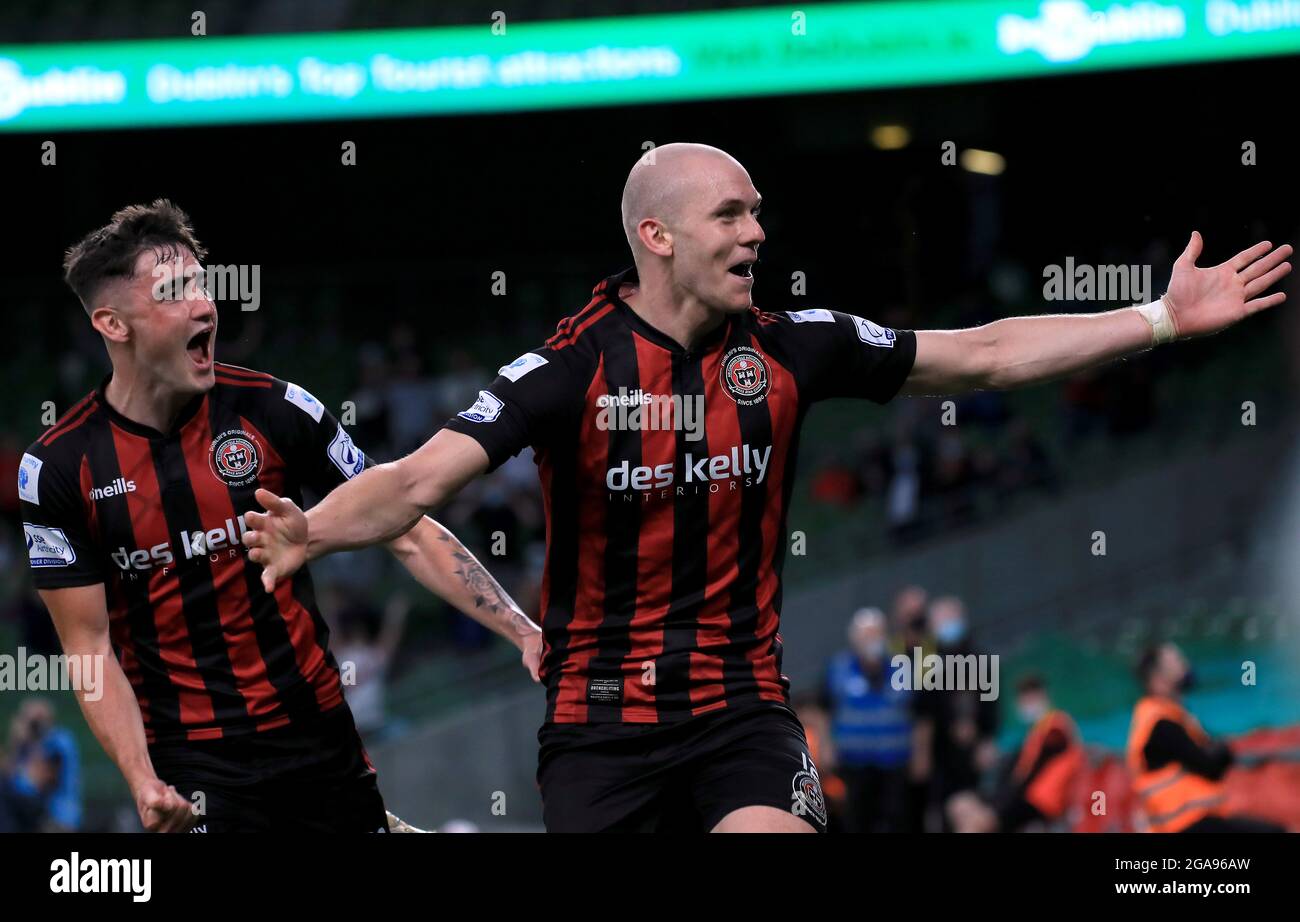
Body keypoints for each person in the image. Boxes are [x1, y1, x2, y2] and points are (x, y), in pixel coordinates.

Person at [243, 143, 1291, 833]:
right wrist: (314, 534)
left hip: (740, 711)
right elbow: (419, 479)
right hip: (597, 729)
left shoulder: (800, 347)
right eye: (729, 217)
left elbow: (981, 352)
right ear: (656, 237)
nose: (755, 235)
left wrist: (1154, 319)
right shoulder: (567, 370)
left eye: (757, 214)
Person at [18, 200, 542, 833]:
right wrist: (141, 779)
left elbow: (406, 527)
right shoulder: (56, 468)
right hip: (193, 762)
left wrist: (523, 631)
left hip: (318, 736)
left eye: (201, 284)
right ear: (113, 323)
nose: (205, 305)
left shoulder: (275, 409)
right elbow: (88, 647)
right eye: (175, 292)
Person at [1127, 644, 1283, 833]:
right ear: (1157, 679)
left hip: (1190, 822)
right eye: (1177, 662)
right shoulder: (1162, 724)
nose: (1185, 666)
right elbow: (1209, 765)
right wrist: (1225, 749)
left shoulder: (1164, 715)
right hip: (1185, 823)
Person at [948, 674, 1084, 832]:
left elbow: (1030, 776)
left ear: (1043, 695)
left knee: (975, 824)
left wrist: (998, 807)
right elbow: (1017, 771)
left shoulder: (1055, 729)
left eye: (1031, 697)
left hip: (1042, 803)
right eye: (1023, 699)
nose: (1026, 704)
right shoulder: (1037, 732)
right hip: (1025, 799)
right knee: (960, 805)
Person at [821, 608, 912, 832]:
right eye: (866, 635)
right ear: (854, 638)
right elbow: (824, 710)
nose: (871, 641)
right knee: (855, 819)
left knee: (895, 819)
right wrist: (826, 746)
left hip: (894, 761)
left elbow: (918, 712)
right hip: (853, 762)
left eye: (876, 634)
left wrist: (920, 752)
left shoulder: (901, 668)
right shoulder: (838, 669)